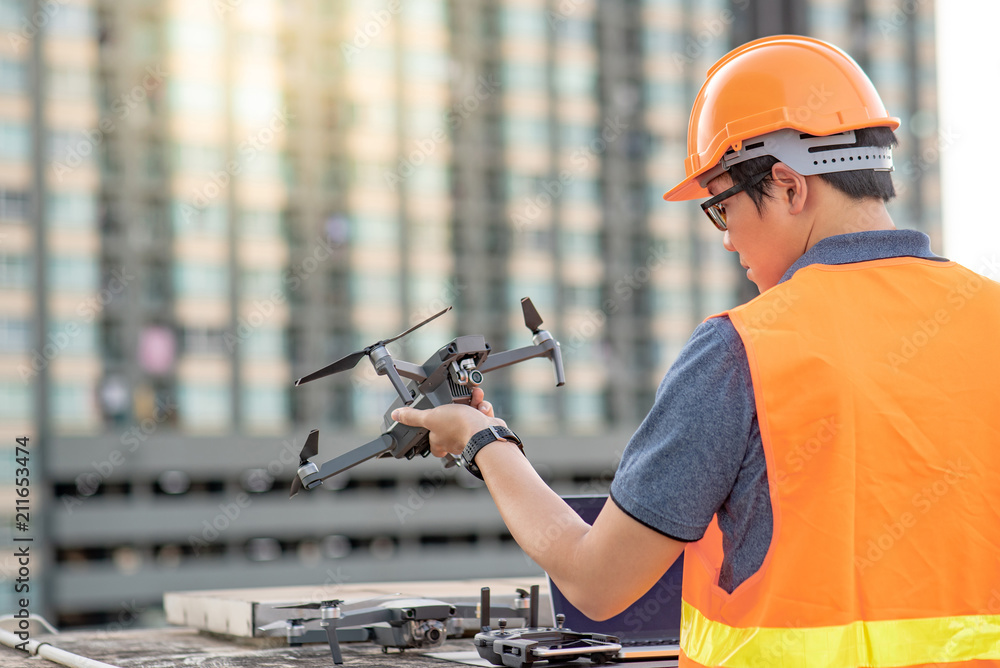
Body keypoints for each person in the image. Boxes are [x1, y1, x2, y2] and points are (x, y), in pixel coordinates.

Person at [392, 35, 1000, 666]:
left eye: (721, 205)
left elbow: (597, 580)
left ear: (790, 188)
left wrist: (483, 441)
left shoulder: (745, 350)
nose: (728, 238)